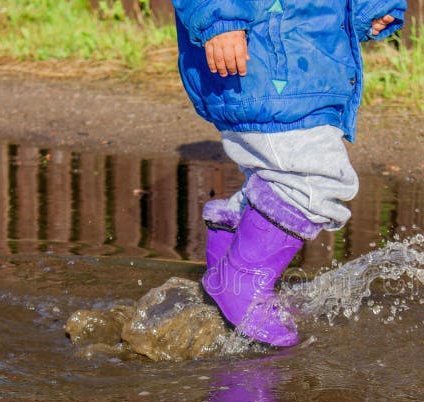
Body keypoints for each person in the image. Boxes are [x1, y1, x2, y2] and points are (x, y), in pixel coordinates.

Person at [172, 0, 406, 347]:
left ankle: (230, 257)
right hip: (264, 59)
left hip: (301, 57)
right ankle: (242, 280)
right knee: (314, 180)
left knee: (279, 172)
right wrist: (218, 15)